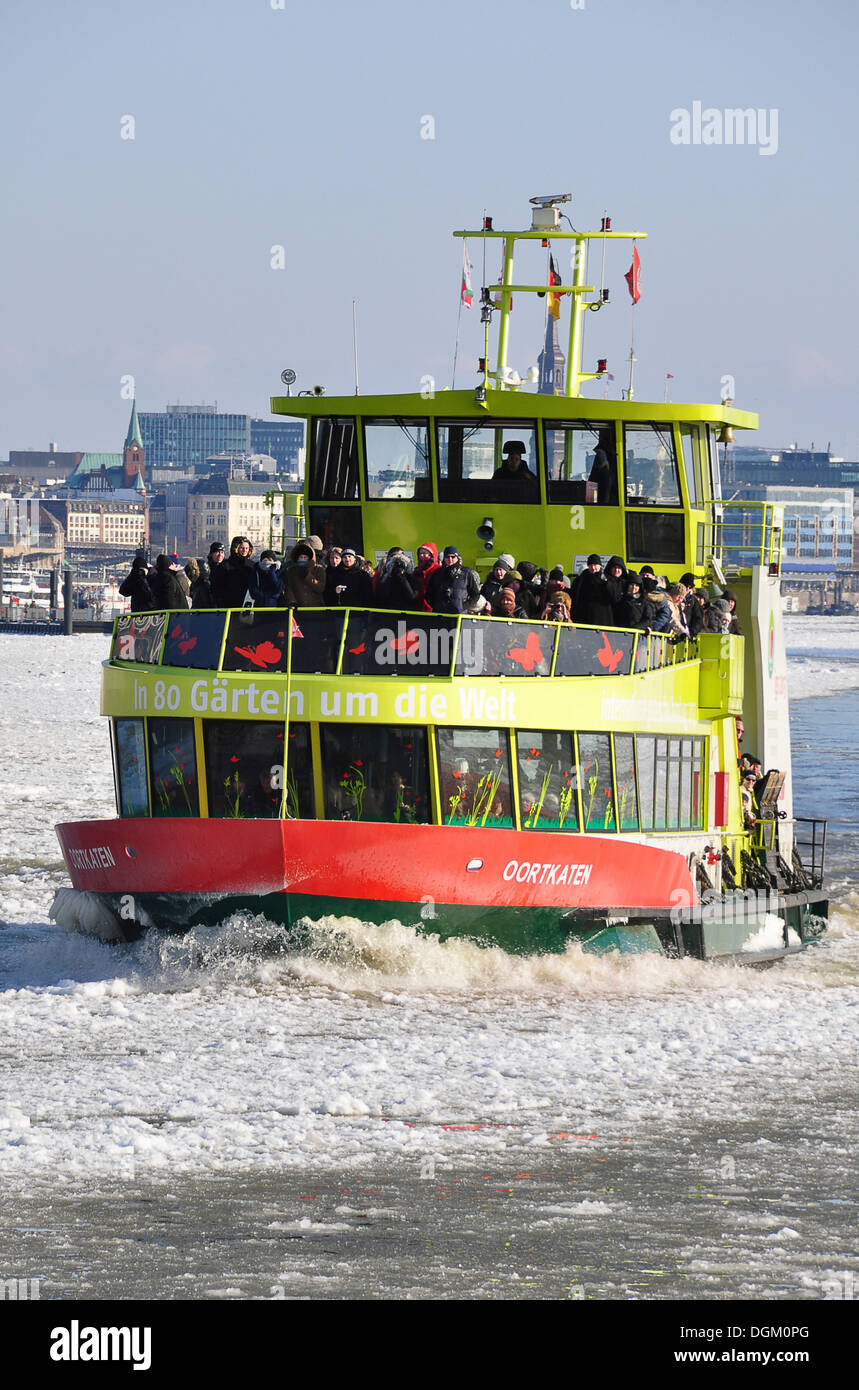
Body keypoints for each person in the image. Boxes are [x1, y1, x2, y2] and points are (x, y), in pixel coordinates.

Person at [427, 547, 481, 614]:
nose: (450, 559)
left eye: (453, 557)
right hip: (440, 614)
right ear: (444, 558)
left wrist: (463, 606)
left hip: (458, 614)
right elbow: (429, 593)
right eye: (447, 557)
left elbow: (475, 594)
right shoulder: (437, 573)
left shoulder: (466, 573)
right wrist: (437, 605)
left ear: (457, 557)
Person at [281, 538, 326, 607]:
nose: (302, 559)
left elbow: (320, 588)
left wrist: (307, 576)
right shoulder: (291, 571)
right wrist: (292, 602)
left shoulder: (319, 569)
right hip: (298, 609)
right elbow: (289, 588)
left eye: (305, 557)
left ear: (310, 557)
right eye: (301, 557)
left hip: (316, 610)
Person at [571, 554, 614, 626]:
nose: (593, 568)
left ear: (600, 565)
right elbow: (575, 596)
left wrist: (607, 583)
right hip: (584, 617)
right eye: (591, 565)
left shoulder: (606, 578)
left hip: (603, 618)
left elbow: (612, 595)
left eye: (595, 565)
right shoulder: (581, 579)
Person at [588, 428, 616, 504]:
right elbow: (600, 465)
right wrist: (606, 463)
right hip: (602, 482)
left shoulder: (601, 452)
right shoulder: (601, 453)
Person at [414, 542, 440, 612]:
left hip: (432, 609)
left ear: (432, 555)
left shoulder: (438, 570)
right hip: (417, 609)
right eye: (420, 553)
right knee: (402, 622)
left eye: (425, 553)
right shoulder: (416, 572)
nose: (422, 555)